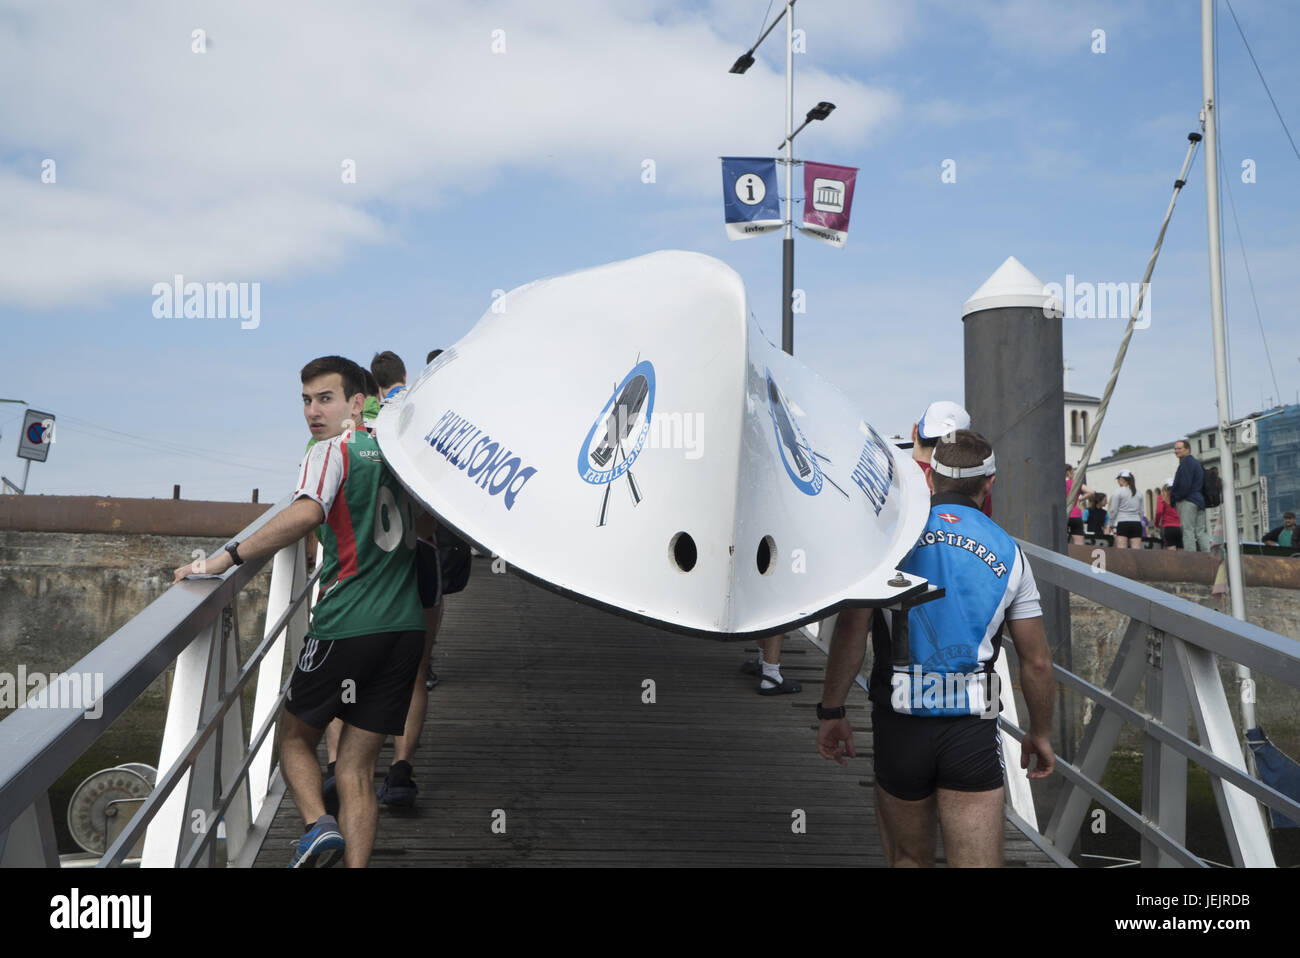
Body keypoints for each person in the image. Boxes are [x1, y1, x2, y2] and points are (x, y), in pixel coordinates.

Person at [175, 356, 427, 867]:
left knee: (294, 736)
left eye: (326, 398)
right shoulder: (397, 452)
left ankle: (317, 825)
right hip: (404, 628)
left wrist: (228, 555)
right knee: (357, 769)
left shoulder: (327, 450)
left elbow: (308, 511)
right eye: (307, 401)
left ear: (357, 402)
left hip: (346, 624)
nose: (314, 412)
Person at [815, 430, 1055, 867]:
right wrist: (1039, 732)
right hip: (970, 726)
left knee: (909, 858)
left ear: (930, 478)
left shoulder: (891, 543)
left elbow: (852, 629)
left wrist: (833, 711)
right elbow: (1036, 662)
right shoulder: (1011, 553)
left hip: (900, 724)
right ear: (990, 484)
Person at [1171, 439, 1211, 551]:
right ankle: (1207, 554)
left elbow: (1184, 485)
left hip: (1188, 501)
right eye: (1175, 448)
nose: (1176, 451)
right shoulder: (1196, 463)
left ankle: (1190, 557)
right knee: (1200, 531)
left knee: (1187, 530)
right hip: (1199, 501)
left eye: (1179, 448)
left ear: (1187, 449)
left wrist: (1175, 498)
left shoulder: (1186, 463)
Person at [1110, 470, 1143, 548]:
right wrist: (1140, 521)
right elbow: (1141, 511)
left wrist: (1111, 523)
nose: (1118, 482)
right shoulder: (1139, 493)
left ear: (1122, 479)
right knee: (1136, 550)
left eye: (1118, 480)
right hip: (1136, 523)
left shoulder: (1118, 492)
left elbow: (1113, 510)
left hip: (1123, 522)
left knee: (1122, 550)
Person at [1065, 464, 1090, 545]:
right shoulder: (1075, 483)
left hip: (1063, 515)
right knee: (1079, 544)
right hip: (1076, 514)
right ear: (1069, 472)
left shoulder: (1058, 484)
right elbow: (1091, 492)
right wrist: (1080, 499)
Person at [1156, 481, 1183, 550]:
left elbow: (1159, 512)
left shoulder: (1162, 497)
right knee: (1181, 552)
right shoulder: (1180, 497)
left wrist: (1156, 524)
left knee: (1171, 554)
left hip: (1168, 527)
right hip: (1180, 527)